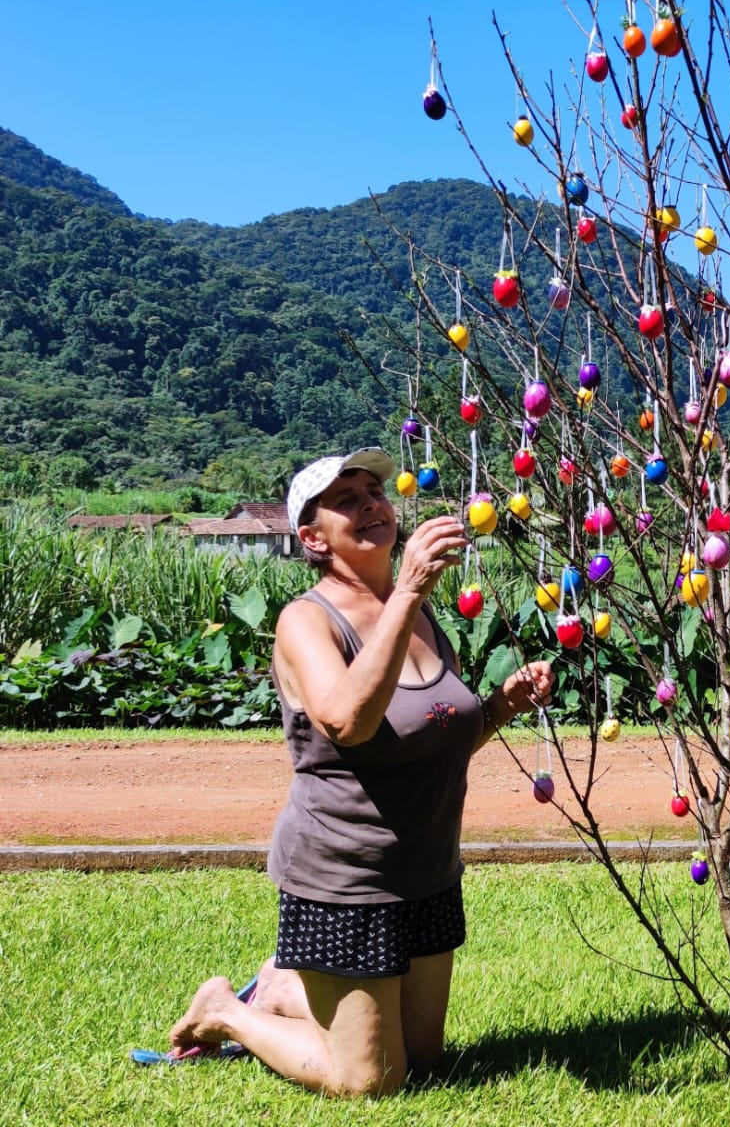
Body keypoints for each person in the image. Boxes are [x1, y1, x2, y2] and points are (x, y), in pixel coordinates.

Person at [152, 448, 554, 1096]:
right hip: (345, 881)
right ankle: (225, 1008)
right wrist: (412, 589)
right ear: (312, 536)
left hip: (426, 872)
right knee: (370, 1082)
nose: (370, 502)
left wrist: (502, 704)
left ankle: (286, 982)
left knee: (424, 1061)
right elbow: (348, 723)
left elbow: (435, 741)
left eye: (374, 490)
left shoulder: (420, 616)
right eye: (346, 499)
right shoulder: (308, 621)